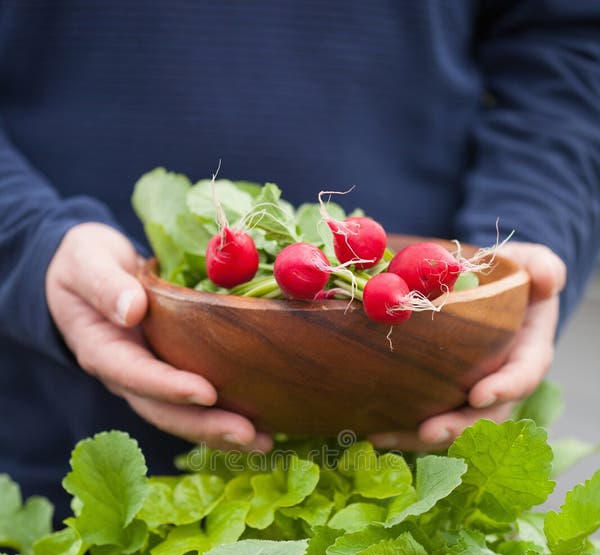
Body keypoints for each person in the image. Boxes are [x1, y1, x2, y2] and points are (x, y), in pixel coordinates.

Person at [1, 1, 599, 518]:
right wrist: (26, 240)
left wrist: (537, 223)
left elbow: (568, 37)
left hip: (429, 395)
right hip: (46, 426)